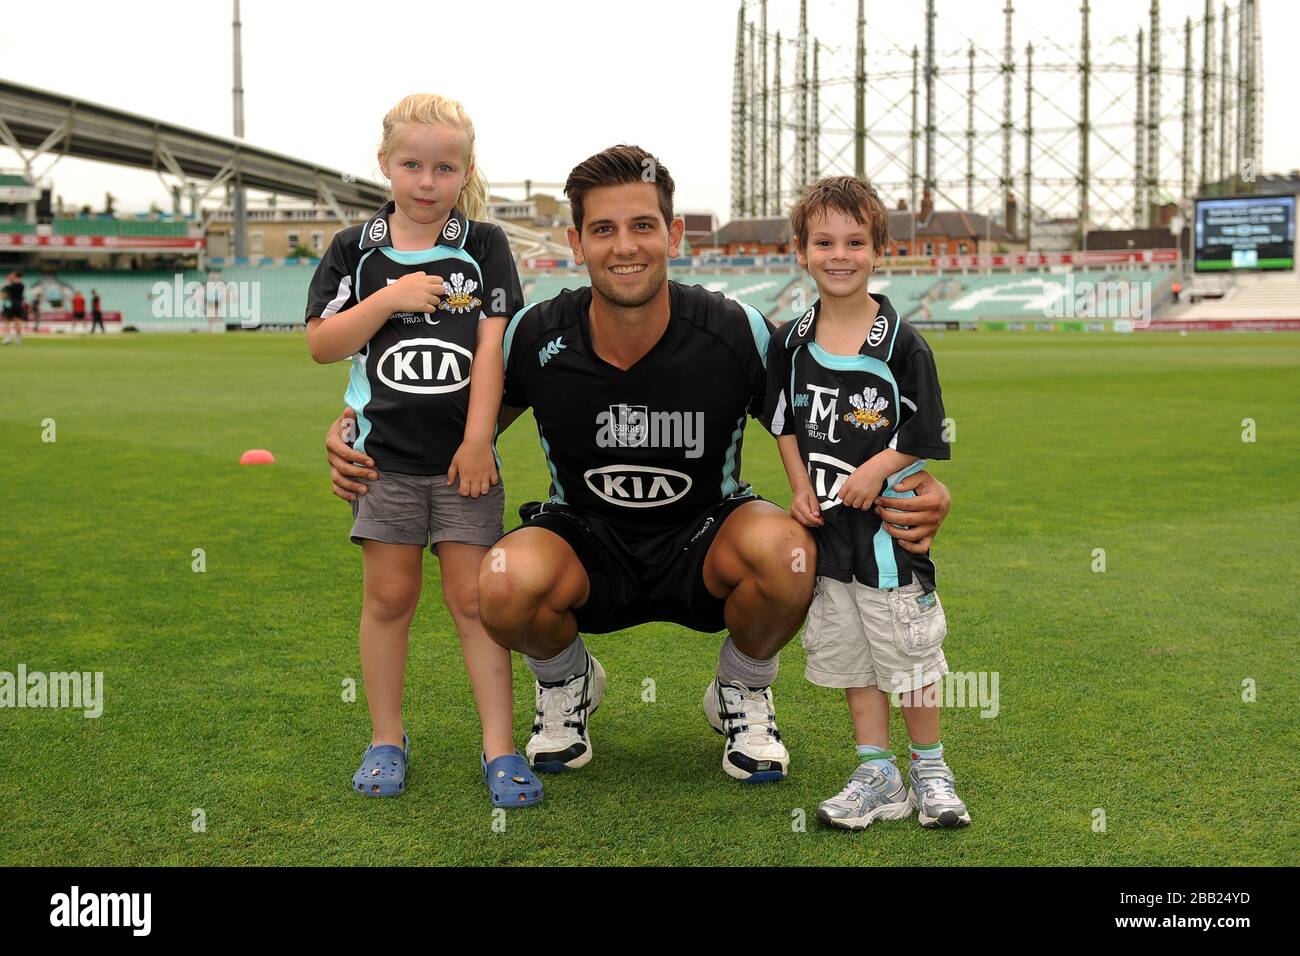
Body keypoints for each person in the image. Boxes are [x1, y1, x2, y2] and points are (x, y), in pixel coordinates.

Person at [326, 146, 954, 793]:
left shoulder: (737, 331)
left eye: (642, 226)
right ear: (576, 242)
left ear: (673, 234)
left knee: (788, 553)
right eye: (603, 229)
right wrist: (354, 428)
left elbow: (839, 420)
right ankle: (566, 681)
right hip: (585, 539)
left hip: (706, 536)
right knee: (504, 582)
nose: (625, 246)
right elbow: (454, 425)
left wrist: (918, 480)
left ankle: (742, 688)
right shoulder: (537, 334)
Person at [305, 93, 540, 807]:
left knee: (474, 603)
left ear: (464, 169)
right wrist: (389, 299)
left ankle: (500, 748)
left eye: (445, 167)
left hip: (464, 465)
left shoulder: (486, 245)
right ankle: (385, 737)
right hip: (385, 464)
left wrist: (477, 441)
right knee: (389, 598)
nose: (427, 181)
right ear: (385, 164)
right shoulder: (355, 248)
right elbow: (322, 344)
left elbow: (495, 346)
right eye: (412, 164)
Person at [766, 176, 970, 829]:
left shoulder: (902, 344)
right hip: (830, 536)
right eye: (824, 241)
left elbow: (926, 434)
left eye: (855, 241)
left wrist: (877, 470)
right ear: (801, 250)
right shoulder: (792, 342)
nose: (840, 254)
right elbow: (784, 424)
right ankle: (876, 771)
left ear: (878, 249)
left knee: (908, 654)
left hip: (888, 536)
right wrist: (799, 485)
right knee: (853, 654)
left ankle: (931, 769)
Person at [2, 271, 24, 345]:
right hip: (19, 305)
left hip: (10, 304)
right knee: (18, 322)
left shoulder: (10, 286)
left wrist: (8, 280)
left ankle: (7, 337)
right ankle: (18, 339)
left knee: (7, 321)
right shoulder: (22, 285)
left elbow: (4, 295)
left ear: (15, 276)